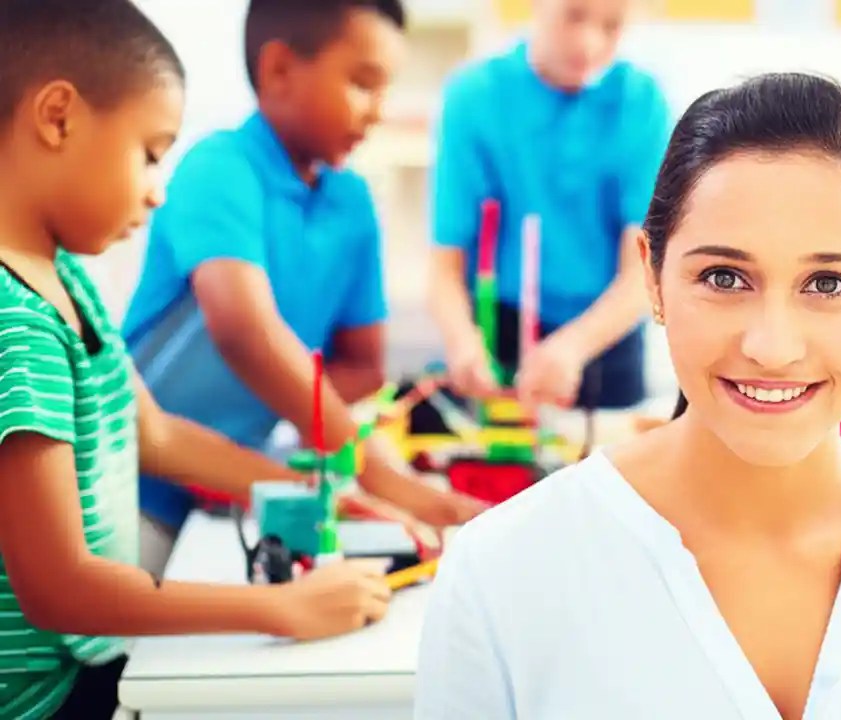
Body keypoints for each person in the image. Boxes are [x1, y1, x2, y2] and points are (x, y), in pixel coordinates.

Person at [414, 73, 841, 719]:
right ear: (652, 277)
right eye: (724, 277)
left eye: (826, 284)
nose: (773, 346)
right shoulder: (504, 572)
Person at [0, 2, 395, 718]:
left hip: (86, 667)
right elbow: (56, 588)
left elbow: (158, 436)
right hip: (43, 701)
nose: (157, 190)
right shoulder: (15, 322)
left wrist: (311, 493)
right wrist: (280, 608)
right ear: (57, 118)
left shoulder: (68, 278)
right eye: (150, 153)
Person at [121, 0, 486, 576]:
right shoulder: (217, 166)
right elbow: (246, 333)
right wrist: (375, 471)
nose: (378, 111)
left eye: (386, 88)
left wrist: (337, 453)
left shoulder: (354, 203)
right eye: (363, 84)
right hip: (137, 492)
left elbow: (362, 368)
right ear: (279, 70)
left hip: (248, 490)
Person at [427, 0, 671, 411]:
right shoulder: (473, 96)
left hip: (607, 337)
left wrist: (574, 347)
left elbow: (642, 273)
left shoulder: (644, 104)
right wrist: (463, 343)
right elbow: (444, 267)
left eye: (612, 27)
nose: (589, 43)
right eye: (574, 15)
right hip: (495, 329)